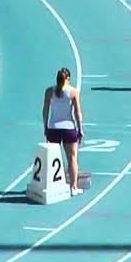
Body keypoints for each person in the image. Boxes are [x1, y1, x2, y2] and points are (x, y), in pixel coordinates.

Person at [40, 67, 83, 196]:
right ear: (68, 79)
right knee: (72, 158)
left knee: (52, 159)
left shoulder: (49, 91)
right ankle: (73, 187)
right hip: (69, 128)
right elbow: (77, 112)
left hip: (53, 128)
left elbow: (45, 111)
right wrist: (80, 129)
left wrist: (45, 127)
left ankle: (51, 185)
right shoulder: (73, 92)